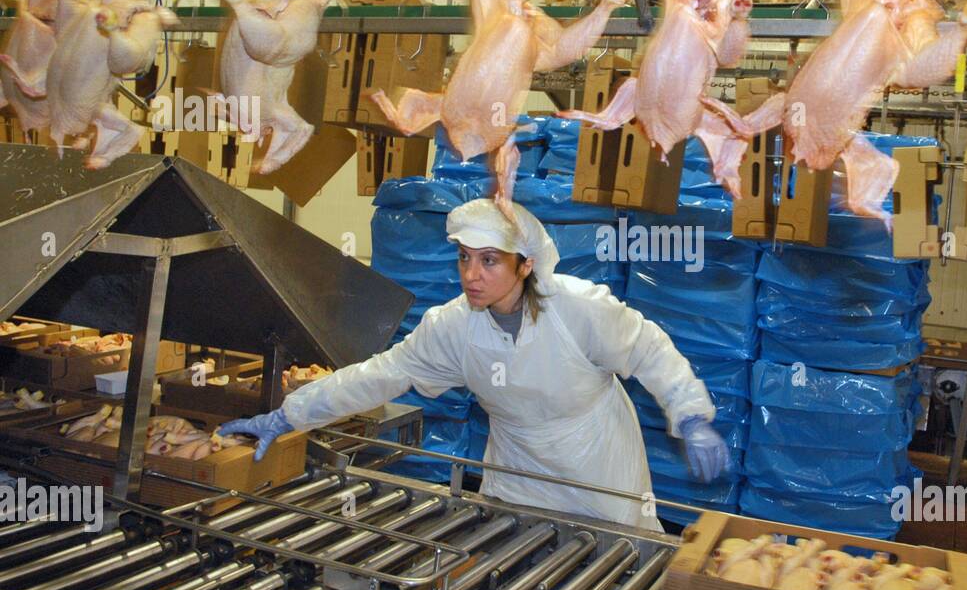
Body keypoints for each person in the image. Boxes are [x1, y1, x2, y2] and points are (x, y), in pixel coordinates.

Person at [219, 198, 730, 531]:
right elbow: (380, 375)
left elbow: (650, 349)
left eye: (489, 260)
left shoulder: (578, 310)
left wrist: (691, 415)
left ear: (525, 264)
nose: (471, 274)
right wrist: (291, 413)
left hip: (597, 471)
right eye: (465, 257)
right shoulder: (453, 327)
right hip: (515, 475)